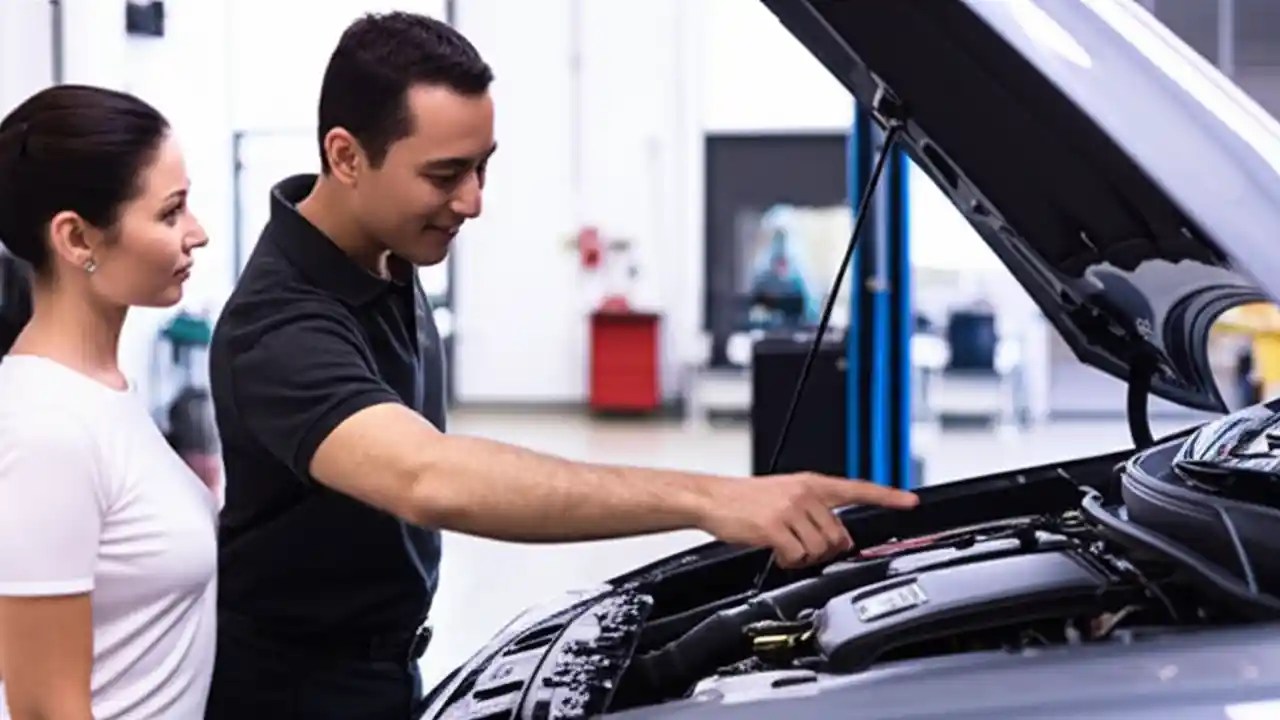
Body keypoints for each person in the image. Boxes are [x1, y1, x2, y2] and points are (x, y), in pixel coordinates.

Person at [204, 12, 919, 719]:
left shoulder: (386, 251)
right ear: (347, 156)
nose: (474, 201)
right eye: (446, 174)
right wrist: (711, 498)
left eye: (483, 165)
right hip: (291, 697)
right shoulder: (276, 327)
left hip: (385, 669)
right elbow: (427, 475)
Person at [0, 85, 217, 719]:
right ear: (76, 239)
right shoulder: (47, 428)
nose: (196, 233)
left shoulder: (103, 394)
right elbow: (44, 710)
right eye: (171, 212)